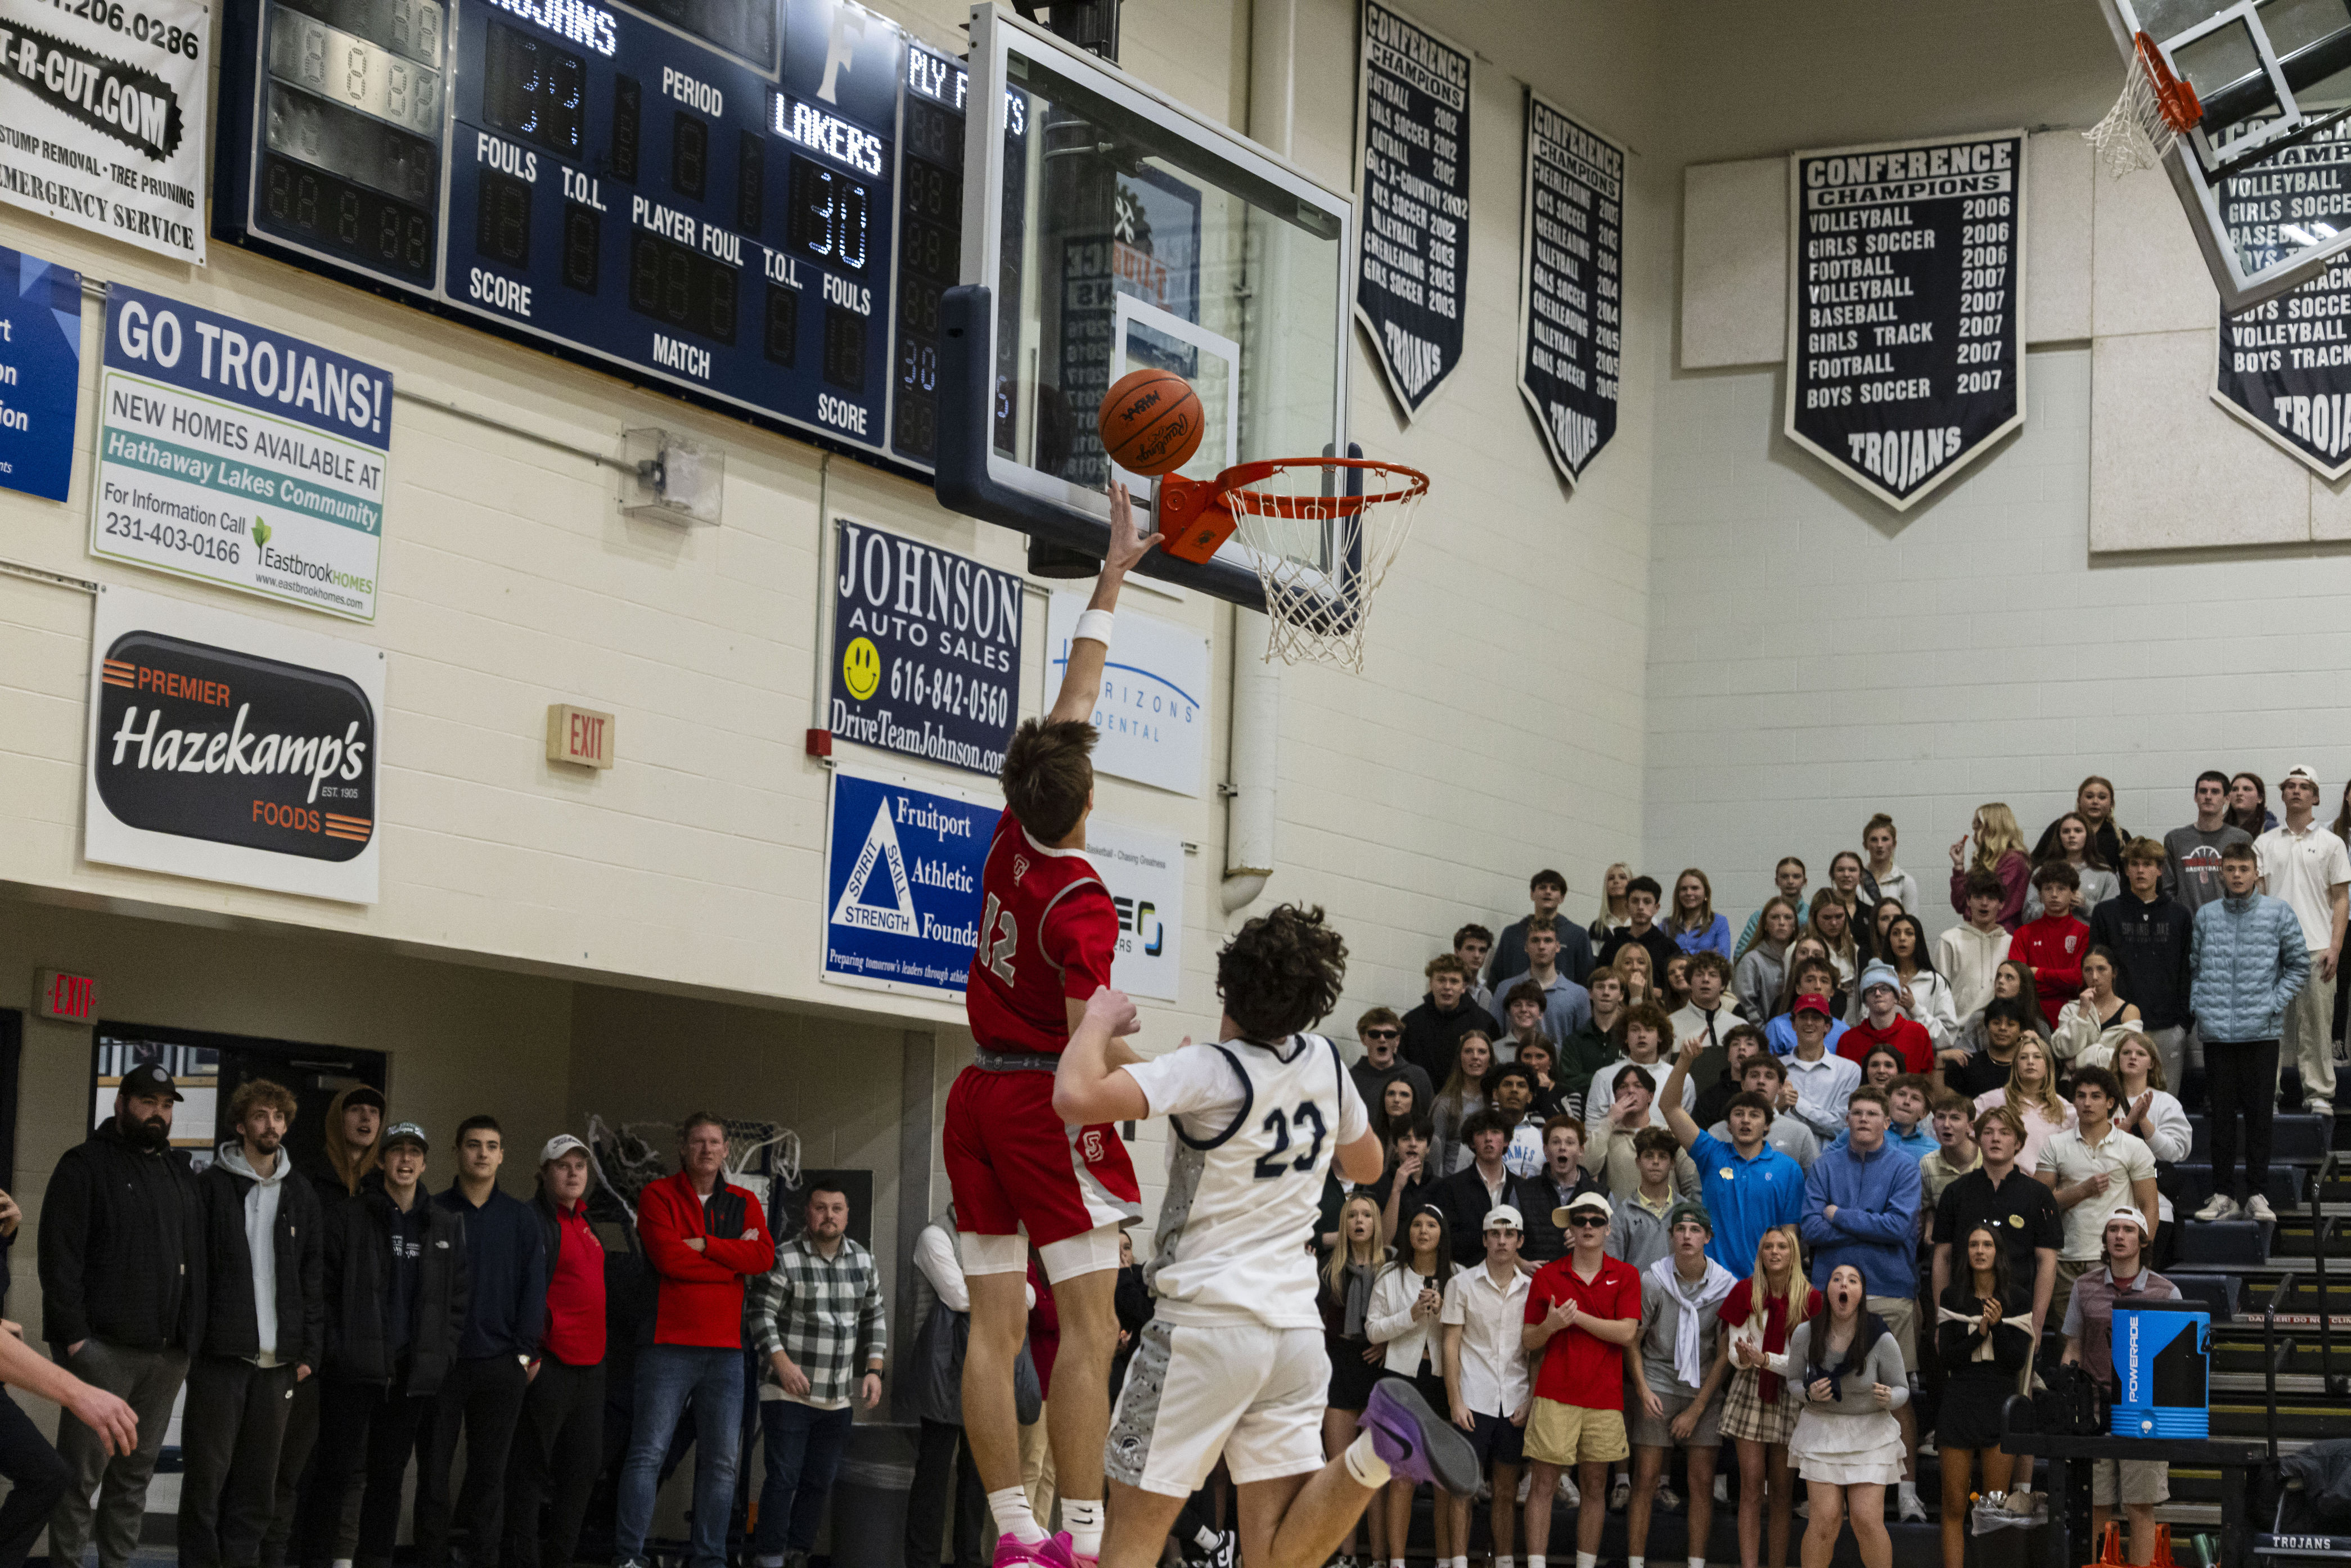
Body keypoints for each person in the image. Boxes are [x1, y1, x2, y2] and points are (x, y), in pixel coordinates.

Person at [1050, 909, 1481, 1568]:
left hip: (1201, 1329)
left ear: (1228, 987)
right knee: (1276, 1554)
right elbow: (1368, 1165)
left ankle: (1377, 1451)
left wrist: (1098, 1022)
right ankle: (1376, 1453)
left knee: (1131, 1538)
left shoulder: (1208, 1068)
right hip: (1291, 1332)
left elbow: (1074, 1095)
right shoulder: (1323, 1060)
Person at [945, 492, 1155, 1568]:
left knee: (991, 1326)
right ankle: (1082, 1534)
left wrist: (1112, 576)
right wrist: (1151, 1061)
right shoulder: (1082, 903)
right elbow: (1085, 1061)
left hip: (974, 1092)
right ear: (1088, 797)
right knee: (1092, 1327)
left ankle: (1015, 1531)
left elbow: (1074, 695)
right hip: (1038, 1100)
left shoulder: (1009, 829)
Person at [39, 1061, 206, 1568]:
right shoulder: (84, 1164)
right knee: (79, 1480)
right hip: (103, 1354)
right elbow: (59, 1258)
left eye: (166, 1105)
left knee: (134, 1480)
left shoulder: (179, 1173)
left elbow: (198, 1259)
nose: (158, 1114)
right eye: (147, 1102)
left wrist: (189, 1339)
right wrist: (75, 1341)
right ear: (121, 1104)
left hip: (166, 1357)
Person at [304, 1123, 471, 1568]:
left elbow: (456, 1300)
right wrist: (335, 1349)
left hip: (409, 1374)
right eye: (397, 1151)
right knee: (334, 1473)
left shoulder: (443, 1224)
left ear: (425, 1163)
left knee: (388, 1479)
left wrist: (442, 1355)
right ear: (381, 1161)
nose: (406, 1160)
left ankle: (374, 1560)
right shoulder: (349, 1215)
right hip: (352, 1370)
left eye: (415, 1152)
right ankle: (317, 1559)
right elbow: (322, 1289)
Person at [616, 1114, 777, 1568]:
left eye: (714, 1142)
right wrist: (731, 1263)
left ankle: (710, 1560)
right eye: (698, 1142)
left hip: (726, 1353)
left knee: (722, 1463)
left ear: (726, 1150)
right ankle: (629, 1557)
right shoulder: (657, 1195)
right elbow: (668, 1260)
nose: (707, 1149)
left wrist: (706, 1245)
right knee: (648, 1454)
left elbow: (763, 1257)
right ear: (683, 1148)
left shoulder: (745, 1201)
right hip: (666, 1345)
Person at [182, 1079, 322, 1568]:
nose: (271, 1125)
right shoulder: (210, 1187)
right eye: (261, 1116)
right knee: (206, 1479)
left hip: (279, 1363)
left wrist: (309, 1350)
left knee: (259, 1484)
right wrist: (193, 1343)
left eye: (279, 1117)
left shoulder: (301, 1193)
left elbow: (313, 1277)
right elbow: (195, 1273)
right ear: (241, 1125)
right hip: (221, 1356)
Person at [265, 1083, 385, 1568]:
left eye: (374, 1112)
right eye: (356, 1110)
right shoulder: (305, 1179)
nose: (366, 1118)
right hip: (308, 1347)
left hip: (361, 1353)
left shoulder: (384, 1188)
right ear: (338, 1117)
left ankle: (334, 1558)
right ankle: (277, 1556)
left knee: (349, 1469)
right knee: (291, 1464)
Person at [417, 1116, 546, 1568]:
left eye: (492, 1146)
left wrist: (524, 1353)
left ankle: (483, 1560)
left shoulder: (521, 1218)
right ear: (457, 1151)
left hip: (500, 1365)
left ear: (502, 1155)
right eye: (474, 1145)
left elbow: (534, 1288)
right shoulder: (432, 1211)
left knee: (489, 1478)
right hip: (441, 1366)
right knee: (433, 1476)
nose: (483, 1154)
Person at [1799, 1088, 1926, 1525]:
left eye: (1873, 1113)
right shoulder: (1825, 1166)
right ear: (1847, 1120)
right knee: (1825, 1387)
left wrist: (1839, 1215)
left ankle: (1907, 1492)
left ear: (1887, 1122)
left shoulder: (1904, 1167)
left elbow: (1897, 1228)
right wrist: (1865, 1223)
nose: (1864, 1120)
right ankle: (1825, 1492)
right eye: (1857, 1113)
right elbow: (1811, 1229)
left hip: (1889, 1290)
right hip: (1830, 1291)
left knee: (1895, 1394)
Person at [746, 1179, 887, 1568]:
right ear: (807, 1213)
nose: (829, 1216)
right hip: (787, 1391)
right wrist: (781, 1363)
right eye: (820, 1208)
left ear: (847, 1215)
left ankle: (798, 1554)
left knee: (819, 1480)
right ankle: (769, 1558)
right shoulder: (784, 1257)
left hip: (837, 1395)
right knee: (783, 1478)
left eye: (836, 1209)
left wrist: (874, 1369)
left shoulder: (863, 1260)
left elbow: (874, 1315)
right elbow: (760, 1313)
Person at [1741, 1265, 1906, 1568]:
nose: (1844, 1285)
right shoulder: (1806, 1333)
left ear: (1861, 1293)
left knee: (1866, 1520)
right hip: (1821, 1432)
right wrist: (1808, 1393)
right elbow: (1793, 1381)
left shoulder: (1880, 1337)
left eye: (1852, 1281)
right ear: (1827, 1291)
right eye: (1837, 1279)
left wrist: (1890, 1397)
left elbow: (1902, 1388)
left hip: (1871, 1433)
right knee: (1824, 1522)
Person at [1520, 1192, 1642, 1568]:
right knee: (1543, 1484)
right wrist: (1550, 1325)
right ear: (1570, 1229)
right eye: (1580, 1220)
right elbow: (1529, 1340)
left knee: (1594, 1486)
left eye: (1596, 1220)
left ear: (1608, 1229)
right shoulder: (1547, 1275)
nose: (1588, 1226)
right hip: (1554, 1393)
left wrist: (1574, 1319)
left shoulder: (1626, 1275)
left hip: (1605, 1397)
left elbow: (1626, 1333)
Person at [2190, 841, 2309, 1222]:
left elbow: (2299, 966)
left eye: (2244, 869)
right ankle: (2223, 1195)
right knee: (2221, 1120)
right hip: (2218, 1035)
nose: (2238, 875)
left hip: (2261, 1032)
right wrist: (2200, 1004)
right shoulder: (2207, 915)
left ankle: (2257, 1194)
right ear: (2221, 873)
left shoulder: (2278, 912)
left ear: (2256, 873)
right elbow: (2195, 966)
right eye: (2231, 869)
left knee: (2260, 1118)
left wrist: (2274, 1003)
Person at [505, 1136, 607, 1568]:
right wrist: (529, 1357)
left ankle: (559, 1559)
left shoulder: (586, 1220)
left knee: (582, 1471)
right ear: (544, 1173)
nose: (573, 1173)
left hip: (591, 1368)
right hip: (549, 1364)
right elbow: (514, 1292)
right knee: (529, 1472)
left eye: (579, 1166)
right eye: (563, 1166)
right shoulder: (530, 1221)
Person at [2060, 1213, 2177, 1565]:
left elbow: (2177, 1360)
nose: (2120, 1236)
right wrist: (2069, 1393)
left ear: (2143, 1240)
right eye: (2113, 1229)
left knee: (2140, 1505)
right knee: (2095, 1505)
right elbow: (2073, 1346)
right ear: (2105, 1239)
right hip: (2095, 1411)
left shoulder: (2167, 1291)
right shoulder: (2084, 1287)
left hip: (2144, 1414)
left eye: (2128, 1230)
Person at [1624, 1206, 1732, 1568]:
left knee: (1701, 1482)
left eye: (1695, 1230)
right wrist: (1643, 1391)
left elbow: (1725, 1354)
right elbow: (1633, 1340)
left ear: (1708, 1238)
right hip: (1657, 1379)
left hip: (1703, 1387)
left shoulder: (1726, 1286)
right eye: (1680, 1229)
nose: (1687, 1236)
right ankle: (1636, 1563)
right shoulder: (1652, 1280)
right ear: (1671, 1236)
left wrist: (1696, 1410)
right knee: (1646, 1478)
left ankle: (1696, 1564)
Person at [908, 1211, 1005, 1568]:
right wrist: (1000, 1288)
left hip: (987, 1366)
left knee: (977, 1478)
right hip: (942, 1369)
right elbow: (958, 1297)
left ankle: (969, 1560)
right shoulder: (935, 1236)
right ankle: (922, 1562)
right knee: (933, 1476)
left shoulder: (997, 1235)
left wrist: (984, 1285)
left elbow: (1026, 1296)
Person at [1932, 1225, 2032, 1568]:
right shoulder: (1952, 1298)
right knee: (1954, 1504)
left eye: (1987, 1244)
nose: (1979, 1250)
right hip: (1959, 1400)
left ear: (1998, 1252)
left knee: (1994, 1506)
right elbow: (1948, 1358)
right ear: (1966, 1253)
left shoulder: (2018, 1298)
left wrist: (1999, 1326)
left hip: (2000, 1402)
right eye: (1973, 1244)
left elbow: (2015, 1361)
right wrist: (1980, 1332)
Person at [1660, 1036, 1804, 1272]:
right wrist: (1685, 1060)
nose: (1746, 1120)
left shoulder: (1788, 1169)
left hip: (1764, 1280)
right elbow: (1669, 1107)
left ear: (1768, 1126)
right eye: (1738, 1114)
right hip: (1714, 1279)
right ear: (1728, 1126)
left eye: (1755, 1115)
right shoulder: (1710, 1154)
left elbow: (1790, 1236)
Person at [2256, 765, 2351, 1117]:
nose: (2297, 791)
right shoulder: (2264, 843)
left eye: (2305, 787)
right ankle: (2268, 1095)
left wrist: (2335, 948)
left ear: (2316, 797)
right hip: (2272, 952)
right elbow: (2257, 899)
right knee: (2270, 1028)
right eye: (2291, 786)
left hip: (2317, 950)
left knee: (2317, 1027)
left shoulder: (2332, 843)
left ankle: (2319, 1094)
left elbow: (2341, 899)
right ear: (2282, 795)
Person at [1718, 1225, 1815, 1568]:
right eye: (1768, 1246)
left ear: (1794, 1254)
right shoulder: (1745, 1291)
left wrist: (1765, 1360)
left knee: (1782, 1493)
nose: (1775, 1252)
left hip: (1790, 1391)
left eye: (1782, 1247)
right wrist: (1745, 1358)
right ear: (1760, 1253)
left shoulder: (1810, 1299)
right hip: (1750, 1387)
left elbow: (1807, 1364)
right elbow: (1735, 1350)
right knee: (1751, 1487)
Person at [1440, 1207, 1532, 1568]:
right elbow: (1450, 1344)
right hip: (1473, 1398)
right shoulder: (1461, 1284)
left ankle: (1504, 1562)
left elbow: (1536, 1351)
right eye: (1495, 1234)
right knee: (1463, 1487)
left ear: (1520, 1241)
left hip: (1515, 1400)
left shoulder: (1532, 1289)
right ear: (1484, 1240)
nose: (1502, 1241)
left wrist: (1531, 1400)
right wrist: (1455, 1401)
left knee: (1506, 1491)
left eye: (1509, 1235)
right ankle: (1459, 1563)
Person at [2035, 1066, 2159, 1328]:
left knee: (2114, 1338)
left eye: (2096, 1096)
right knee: (2068, 1341)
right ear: (2073, 1101)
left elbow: (2150, 1207)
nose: (2087, 1103)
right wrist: (2082, 1191)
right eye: (2081, 1096)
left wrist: (2140, 1256)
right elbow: (2039, 1205)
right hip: (2064, 1259)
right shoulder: (2055, 1145)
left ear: (2110, 1102)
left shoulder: (2133, 1147)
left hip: (2113, 1259)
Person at [1930, 1108, 2059, 1353]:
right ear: (1978, 1140)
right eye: (1988, 1132)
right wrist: (1942, 1320)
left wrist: (2037, 1323)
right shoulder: (1956, 1192)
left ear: (2018, 1143)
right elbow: (1942, 1258)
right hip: (1962, 1311)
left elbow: (2047, 1262)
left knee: (2017, 1378)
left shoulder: (2038, 1195)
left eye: (2004, 1133)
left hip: (2018, 1312)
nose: (1996, 1139)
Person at [1318, 1196, 1389, 1568]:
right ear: (1344, 1224)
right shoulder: (1327, 1270)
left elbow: (1404, 1322)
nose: (1359, 1221)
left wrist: (1387, 1343)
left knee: (1374, 1475)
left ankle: (1378, 1558)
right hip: (1338, 1369)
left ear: (1377, 1224)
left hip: (1378, 1372)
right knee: (1342, 1472)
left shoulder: (1391, 1269)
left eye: (1366, 1215)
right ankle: (1346, 1557)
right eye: (1352, 1216)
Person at [2093, 837, 2194, 1096]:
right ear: (2126, 870)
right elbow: (2096, 970)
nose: (2140, 871)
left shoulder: (2179, 915)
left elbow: (2188, 971)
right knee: (2117, 1100)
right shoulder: (2106, 913)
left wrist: (2184, 1023)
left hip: (2168, 1025)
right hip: (2119, 1025)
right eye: (2134, 864)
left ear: (2160, 870)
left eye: (2148, 864)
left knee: (2166, 1101)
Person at [2111, 1034, 2192, 1242]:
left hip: (2156, 1205)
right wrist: (2129, 1122)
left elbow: (2176, 1152)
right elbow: (2095, 1149)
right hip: (2109, 1204)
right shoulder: (2103, 1101)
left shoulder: (2166, 1102)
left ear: (2152, 1063)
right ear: (2117, 1060)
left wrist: (2144, 1122)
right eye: (2126, 1053)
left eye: (2140, 1053)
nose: (2133, 1057)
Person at [1429, 1112, 1520, 1264]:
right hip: (1466, 1270)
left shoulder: (1521, 1187)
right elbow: (1447, 1239)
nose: (1488, 1138)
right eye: (1481, 1133)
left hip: (1514, 1271)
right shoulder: (1450, 1187)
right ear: (1472, 1143)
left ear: (1506, 1141)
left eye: (1495, 1132)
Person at [1490, 918, 1594, 1051]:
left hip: (1559, 1063)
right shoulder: (1505, 989)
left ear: (1558, 947)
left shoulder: (1578, 994)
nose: (1541, 946)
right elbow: (1493, 1037)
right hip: (1511, 1062)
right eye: (1535, 940)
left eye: (1548, 941)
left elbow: (1584, 1045)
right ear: (1526, 947)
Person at [1976, 1036, 2075, 1172]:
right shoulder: (1994, 1099)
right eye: (2023, 1057)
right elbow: (1967, 1129)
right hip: (2003, 1179)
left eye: (2037, 1057)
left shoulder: (2064, 1108)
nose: (2030, 1062)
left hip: (2045, 1181)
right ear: (2016, 1065)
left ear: (2048, 1065)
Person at [1709, 1052, 1822, 1172]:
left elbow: (1815, 1180)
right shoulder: (1716, 1133)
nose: (1761, 1081)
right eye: (1754, 1076)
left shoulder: (1800, 1133)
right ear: (1743, 1084)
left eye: (1769, 1076)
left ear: (1780, 1087)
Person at [1400, 956, 1502, 1087]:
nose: (1447, 987)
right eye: (1441, 980)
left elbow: (1492, 1070)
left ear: (1464, 986)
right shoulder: (1411, 1023)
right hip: (1421, 1097)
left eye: (1454, 981)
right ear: (1431, 983)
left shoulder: (1484, 1023)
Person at [1516, 1118, 1606, 1265]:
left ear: (1581, 1150)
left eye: (1570, 1143)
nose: (1562, 1147)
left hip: (1584, 1276)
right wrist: (1520, 1264)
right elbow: (1505, 1237)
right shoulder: (1523, 1191)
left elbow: (1614, 1246)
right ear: (1546, 1150)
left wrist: (1588, 1241)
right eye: (1556, 1142)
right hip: (1536, 1276)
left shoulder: (1601, 1195)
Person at [2012, 863, 2090, 1031]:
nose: (2054, 894)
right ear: (2040, 895)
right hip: (2031, 1014)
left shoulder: (2084, 933)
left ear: (2073, 894)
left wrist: (2038, 973)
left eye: (2061, 889)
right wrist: (2061, 981)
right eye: (2048, 889)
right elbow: (2019, 981)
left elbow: (2078, 978)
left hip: (2072, 1013)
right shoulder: (2023, 934)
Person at [2165, 771, 2255, 914]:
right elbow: (2168, 889)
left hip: (2228, 921)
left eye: (2215, 792)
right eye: (2203, 791)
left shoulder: (2241, 838)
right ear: (2195, 797)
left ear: (2227, 798)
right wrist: (2180, 918)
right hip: (2188, 923)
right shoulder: (2175, 839)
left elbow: (2247, 886)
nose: (2208, 796)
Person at [1604, 1127, 1695, 1267]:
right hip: (1636, 1282)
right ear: (1638, 1162)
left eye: (1662, 1156)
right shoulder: (1621, 1215)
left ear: (1672, 1163)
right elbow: (1613, 1268)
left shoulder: (1687, 1212)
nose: (1656, 1162)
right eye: (1649, 1156)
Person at [1494, 869, 1599, 990]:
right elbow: (1496, 977)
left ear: (1562, 898)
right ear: (1532, 894)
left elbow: (1586, 980)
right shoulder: (1511, 934)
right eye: (1542, 887)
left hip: (1561, 1001)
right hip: (1516, 1001)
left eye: (1554, 889)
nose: (1548, 892)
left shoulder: (1577, 935)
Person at [1781, 994, 1861, 1145]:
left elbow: (1843, 1127)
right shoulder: (1777, 1069)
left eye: (1816, 1018)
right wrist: (1778, 1109)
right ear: (1793, 1024)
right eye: (1803, 1017)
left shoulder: (1849, 1071)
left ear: (1827, 1026)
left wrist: (1798, 1105)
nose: (1809, 1022)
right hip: (1783, 1156)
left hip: (1830, 1158)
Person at [2051, 947, 2141, 1071]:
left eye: (2101, 969)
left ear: (2114, 973)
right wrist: (2082, 1012)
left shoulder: (2129, 1011)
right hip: (2075, 1080)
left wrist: (2078, 1061)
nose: (2094, 977)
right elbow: (2066, 1051)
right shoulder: (2070, 1009)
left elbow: (2129, 1056)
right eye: (2088, 970)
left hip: (2114, 1079)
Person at [1877, 915, 1957, 1052]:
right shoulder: (1878, 980)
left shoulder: (1935, 981)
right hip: (1884, 1056)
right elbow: (1865, 1022)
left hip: (1922, 1057)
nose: (1902, 938)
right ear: (1889, 940)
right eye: (1896, 933)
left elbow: (1948, 1036)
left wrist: (1915, 1009)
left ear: (1918, 940)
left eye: (1909, 933)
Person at [1668, 951, 1747, 1088]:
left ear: (1723, 985)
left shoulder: (1740, 1026)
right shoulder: (1670, 1025)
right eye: (1699, 975)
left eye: (1713, 975)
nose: (1705, 979)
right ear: (1690, 983)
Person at [1949, 804, 2032, 932]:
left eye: (1980, 825)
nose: (1975, 831)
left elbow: (1995, 906)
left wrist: (1971, 911)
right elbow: (1960, 904)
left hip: (2003, 935)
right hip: (1979, 932)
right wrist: (1959, 866)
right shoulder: (1985, 861)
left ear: (1994, 828)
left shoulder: (2014, 861)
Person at [1839, 965, 1933, 1077]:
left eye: (1884, 989)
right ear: (1865, 1001)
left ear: (1896, 997)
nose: (1878, 994)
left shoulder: (1918, 1034)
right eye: (1871, 990)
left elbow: (1927, 1080)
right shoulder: (1848, 1041)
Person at [1559, 967, 1627, 1120]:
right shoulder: (1574, 1041)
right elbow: (1570, 1082)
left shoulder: (1630, 1038)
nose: (1606, 992)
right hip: (1584, 1118)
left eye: (1612, 987)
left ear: (1621, 995)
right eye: (1600, 987)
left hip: (1626, 1117)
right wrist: (1615, 1081)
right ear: (1590, 993)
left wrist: (1589, 1079)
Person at [2023, 813, 2120, 921]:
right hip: (2050, 930)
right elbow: (2027, 916)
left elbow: (2115, 915)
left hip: (2089, 931)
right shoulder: (2042, 872)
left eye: (2078, 831)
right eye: (2066, 832)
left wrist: (2086, 905)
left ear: (2088, 836)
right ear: (2059, 837)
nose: (2072, 836)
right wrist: (2050, 907)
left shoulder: (2104, 873)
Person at [1432, 1032, 1496, 1177]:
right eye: (1468, 1051)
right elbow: (1435, 1154)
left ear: (1490, 1060)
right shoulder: (1444, 1103)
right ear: (1460, 1058)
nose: (1475, 1057)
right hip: (1451, 1182)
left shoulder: (1497, 1102)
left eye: (1482, 1052)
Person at [1372, 1116, 1440, 1250]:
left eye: (1420, 1139)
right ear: (1396, 1146)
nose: (1413, 1144)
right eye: (1406, 1139)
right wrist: (1396, 1190)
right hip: (1392, 1257)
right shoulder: (1379, 1185)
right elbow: (1383, 1241)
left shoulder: (1441, 1187)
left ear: (1428, 1148)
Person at [1944, 997, 2029, 1101]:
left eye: (2010, 1024)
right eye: (1996, 1023)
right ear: (1987, 1026)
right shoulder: (1966, 1064)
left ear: (2021, 1031)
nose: (2002, 1028)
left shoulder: (2027, 1067)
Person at [1765, 956, 1849, 1059]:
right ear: (1798, 988)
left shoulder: (1844, 1032)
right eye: (1810, 980)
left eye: (1824, 981)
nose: (1818, 986)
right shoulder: (1778, 1027)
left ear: (1832, 991)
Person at [1350, 1009, 1434, 1112]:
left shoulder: (1418, 1077)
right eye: (1375, 1034)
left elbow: (1428, 1118)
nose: (1382, 1039)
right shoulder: (1351, 1079)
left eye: (1389, 1034)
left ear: (1397, 1041)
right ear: (1363, 1039)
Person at [1598, 876, 1679, 977]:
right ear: (1627, 906)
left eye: (1647, 902)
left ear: (1656, 908)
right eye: (1635, 901)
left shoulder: (1669, 948)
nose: (1640, 907)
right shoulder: (1611, 946)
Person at [1736, 898, 1800, 1022]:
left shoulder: (1801, 958)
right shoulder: (1751, 961)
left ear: (1795, 925)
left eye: (1788, 918)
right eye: (1775, 917)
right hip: (1762, 1032)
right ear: (1765, 925)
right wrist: (1765, 1032)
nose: (1782, 922)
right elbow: (1745, 1006)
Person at [1737, 860, 1812, 963]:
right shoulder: (1760, 916)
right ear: (1777, 881)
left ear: (1805, 881)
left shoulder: (1813, 916)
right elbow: (1740, 954)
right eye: (1785, 877)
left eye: (1796, 877)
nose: (1790, 881)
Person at [1917, 1094, 1981, 1212]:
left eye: (1955, 1118)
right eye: (1941, 1117)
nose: (1946, 1125)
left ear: (1970, 1126)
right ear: (1933, 1123)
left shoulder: (1988, 1159)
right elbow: (1928, 1212)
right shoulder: (1927, 1164)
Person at [1859, 817, 1922, 928]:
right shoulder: (1856, 879)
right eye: (1874, 840)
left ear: (1894, 844)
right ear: (1865, 845)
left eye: (1885, 839)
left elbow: (1912, 924)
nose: (1880, 845)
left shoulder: (1904, 881)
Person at [1667, 869, 1733, 957]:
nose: (1689, 893)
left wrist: (1678, 955)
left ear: (1706, 894)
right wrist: (1708, 954)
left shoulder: (1719, 923)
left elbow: (1723, 958)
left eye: (1695, 888)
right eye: (1684, 889)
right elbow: (1659, 958)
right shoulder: (1666, 925)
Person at [1805, 891, 1860, 990]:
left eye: (1839, 916)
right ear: (1814, 917)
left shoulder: (1853, 947)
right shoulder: (1802, 950)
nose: (1834, 923)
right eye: (1827, 918)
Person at [1592, 863, 1635, 950]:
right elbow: (1594, 957)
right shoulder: (1598, 927)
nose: (1616, 881)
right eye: (1611, 878)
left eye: (1622, 877)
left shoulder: (1641, 923)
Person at [1456, 925, 1497, 1015]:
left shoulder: (1486, 995)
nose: (1477, 955)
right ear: (1457, 952)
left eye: (1482, 950)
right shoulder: (1449, 989)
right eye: (1470, 948)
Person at [2226, 771, 2277, 840]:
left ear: (2260, 798)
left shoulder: (2271, 829)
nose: (2239, 793)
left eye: (2247, 789)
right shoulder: (2220, 827)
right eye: (2234, 789)